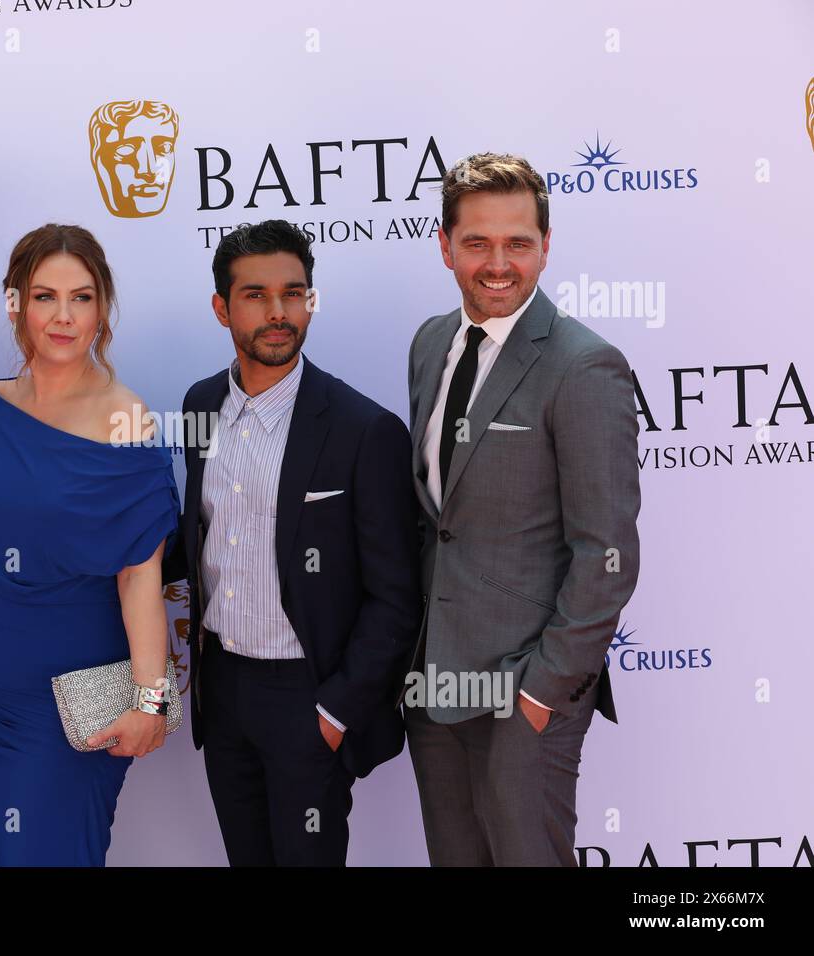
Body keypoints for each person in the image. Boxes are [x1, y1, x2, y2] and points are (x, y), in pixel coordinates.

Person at [404, 152, 641, 866]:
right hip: (435, 685)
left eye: (518, 243)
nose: (497, 263)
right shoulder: (428, 343)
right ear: (445, 246)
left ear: (545, 246)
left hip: (525, 692)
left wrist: (541, 693)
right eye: (477, 242)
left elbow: (607, 555)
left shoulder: (584, 365)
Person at [161, 219, 421, 866]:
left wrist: (334, 711)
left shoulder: (364, 430)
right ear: (222, 307)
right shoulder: (199, 406)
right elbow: (199, 537)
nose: (278, 313)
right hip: (223, 694)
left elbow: (396, 596)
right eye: (255, 295)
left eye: (293, 293)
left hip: (309, 696)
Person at [0, 223, 179, 866]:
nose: (62, 316)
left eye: (81, 297)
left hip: (72, 698)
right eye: (44, 296)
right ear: (16, 304)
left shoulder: (124, 418)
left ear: (102, 308)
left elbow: (141, 577)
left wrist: (151, 702)